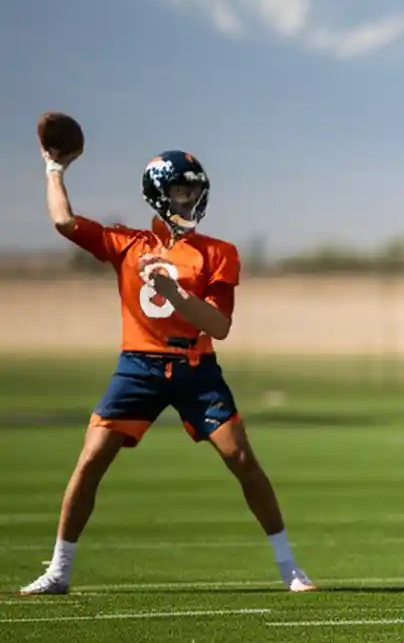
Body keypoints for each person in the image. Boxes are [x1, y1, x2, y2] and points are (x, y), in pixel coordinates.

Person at [19, 145, 315, 595]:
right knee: (91, 459)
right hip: (138, 366)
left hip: (196, 366)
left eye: (194, 191)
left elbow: (219, 325)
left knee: (240, 458)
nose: (189, 201)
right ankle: (59, 570)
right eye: (179, 190)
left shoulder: (217, 253)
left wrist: (175, 295)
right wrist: (54, 169)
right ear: (158, 195)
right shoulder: (128, 243)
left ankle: (290, 567)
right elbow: (64, 222)